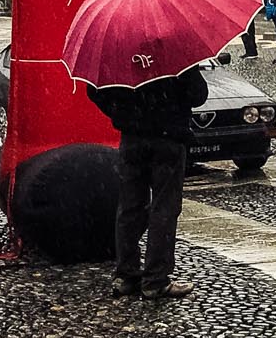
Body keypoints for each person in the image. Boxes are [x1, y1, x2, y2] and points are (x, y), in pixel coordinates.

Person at [89, 65, 208, 300]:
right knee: (164, 208)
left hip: (132, 139)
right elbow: (199, 94)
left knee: (130, 207)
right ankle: (155, 280)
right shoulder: (172, 54)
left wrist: (120, 112)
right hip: (168, 139)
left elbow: (93, 91)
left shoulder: (118, 55)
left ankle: (126, 275)